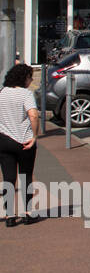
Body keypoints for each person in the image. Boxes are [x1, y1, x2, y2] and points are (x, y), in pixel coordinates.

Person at [0, 63, 40, 227]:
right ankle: (29, 213)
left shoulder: (1, 93)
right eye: (30, 77)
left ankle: (10, 216)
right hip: (24, 141)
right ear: (24, 78)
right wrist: (35, 136)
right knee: (26, 176)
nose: (31, 80)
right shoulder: (26, 94)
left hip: (4, 141)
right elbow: (33, 115)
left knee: (8, 178)